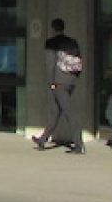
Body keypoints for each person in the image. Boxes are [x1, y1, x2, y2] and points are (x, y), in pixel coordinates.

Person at [32, 17, 85, 153]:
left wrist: (52, 83)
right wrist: (73, 78)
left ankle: (79, 145)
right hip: (70, 80)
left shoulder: (51, 43)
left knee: (69, 113)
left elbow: (50, 65)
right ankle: (42, 139)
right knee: (55, 111)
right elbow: (79, 62)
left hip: (59, 82)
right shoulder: (72, 42)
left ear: (53, 28)